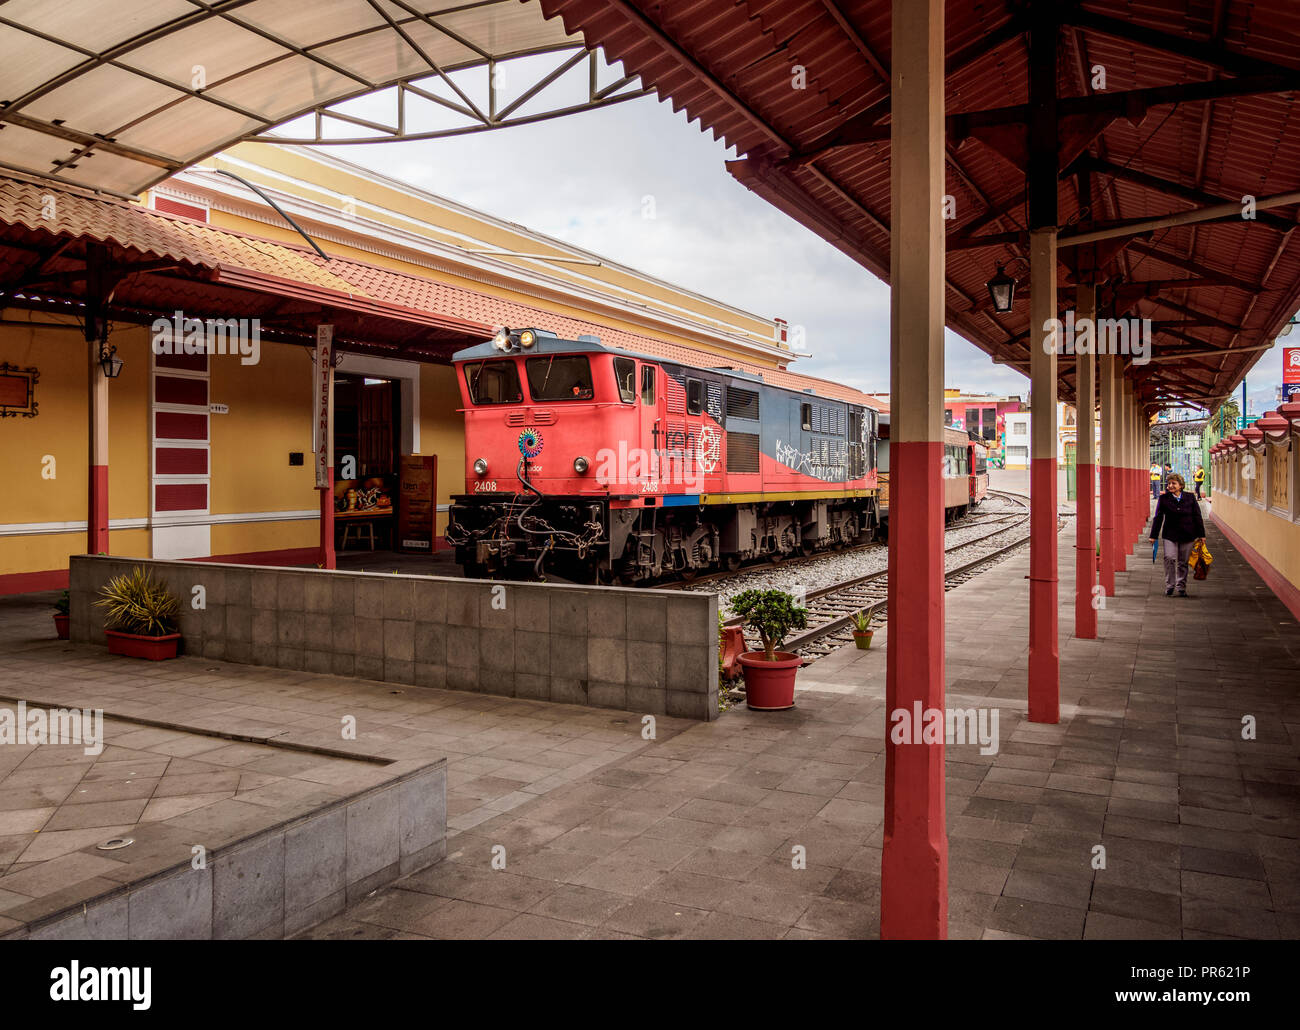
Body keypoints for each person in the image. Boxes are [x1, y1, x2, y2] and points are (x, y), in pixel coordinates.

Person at [1150, 473, 1206, 597]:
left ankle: (1181, 586)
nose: (1170, 486)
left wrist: (1201, 535)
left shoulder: (1190, 498)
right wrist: (1153, 535)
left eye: (1173, 483)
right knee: (1169, 558)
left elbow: (1197, 516)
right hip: (1170, 534)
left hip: (1188, 534)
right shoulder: (1164, 499)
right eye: (1169, 483)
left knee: (1183, 561)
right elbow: (1158, 518)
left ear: (1180, 485)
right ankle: (1170, 585)